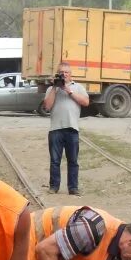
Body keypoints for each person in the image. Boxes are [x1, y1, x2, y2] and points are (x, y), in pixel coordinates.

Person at [42, 62, 90, 196]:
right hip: (55, 129)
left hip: (72, 128)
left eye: (66, 72)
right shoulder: (52, 89)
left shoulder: (78, 87)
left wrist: (69, 91)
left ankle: (73, 187)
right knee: (55, 161)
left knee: (73, 161)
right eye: (61, 72)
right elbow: (47, 106)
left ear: (70, 75)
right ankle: (54, 187)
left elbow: (86, 102)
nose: (64, 74)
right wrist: (54, 87)